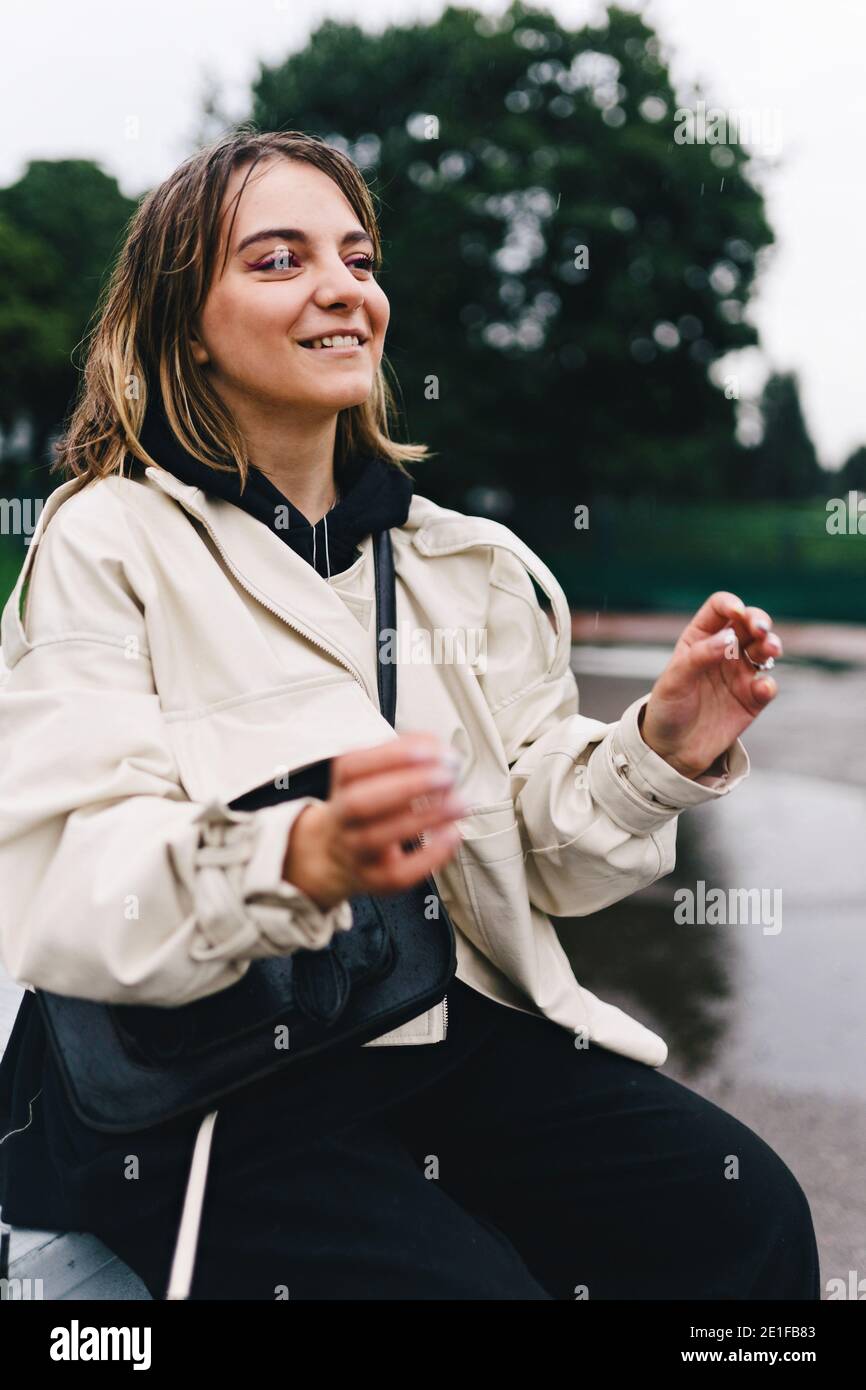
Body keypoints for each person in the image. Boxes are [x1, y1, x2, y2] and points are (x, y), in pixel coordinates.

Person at [0, 129, 819, 1301]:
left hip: (438, 1035)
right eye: (278, 261)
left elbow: (535, 861)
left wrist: (659, 750)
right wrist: (297, 854)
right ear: (183, 322)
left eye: (357, 257)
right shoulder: (105, 540)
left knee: (739, 1215)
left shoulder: (465, 564)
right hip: (209, 1078)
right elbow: (73, 875)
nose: (342, 288)